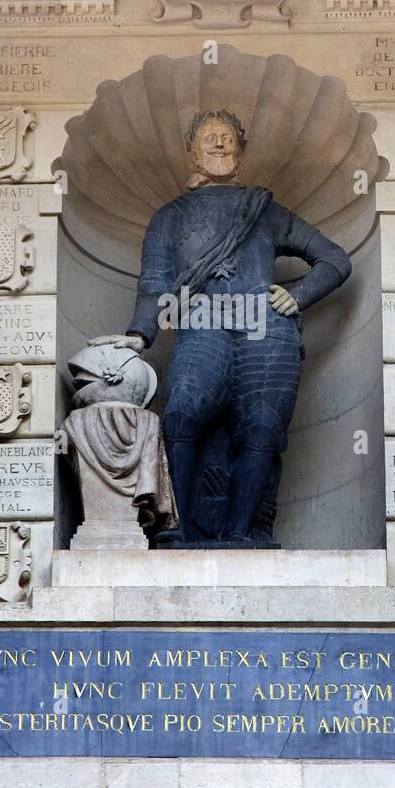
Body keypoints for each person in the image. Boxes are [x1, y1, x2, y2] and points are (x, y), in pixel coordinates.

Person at [91, 109, 351, 546]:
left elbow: (335, 259)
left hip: (266, 327)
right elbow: (155, 285)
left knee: (262, 428)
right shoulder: (169, 217)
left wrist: (298, 295)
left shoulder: (266, 211)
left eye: (227, 138)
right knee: (180, 413)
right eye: (209, 138)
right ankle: (176, 528)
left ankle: (241, 533)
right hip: (202, 322)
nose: (218, 144)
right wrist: (139, 334)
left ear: (241, 149)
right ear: (191, 150)